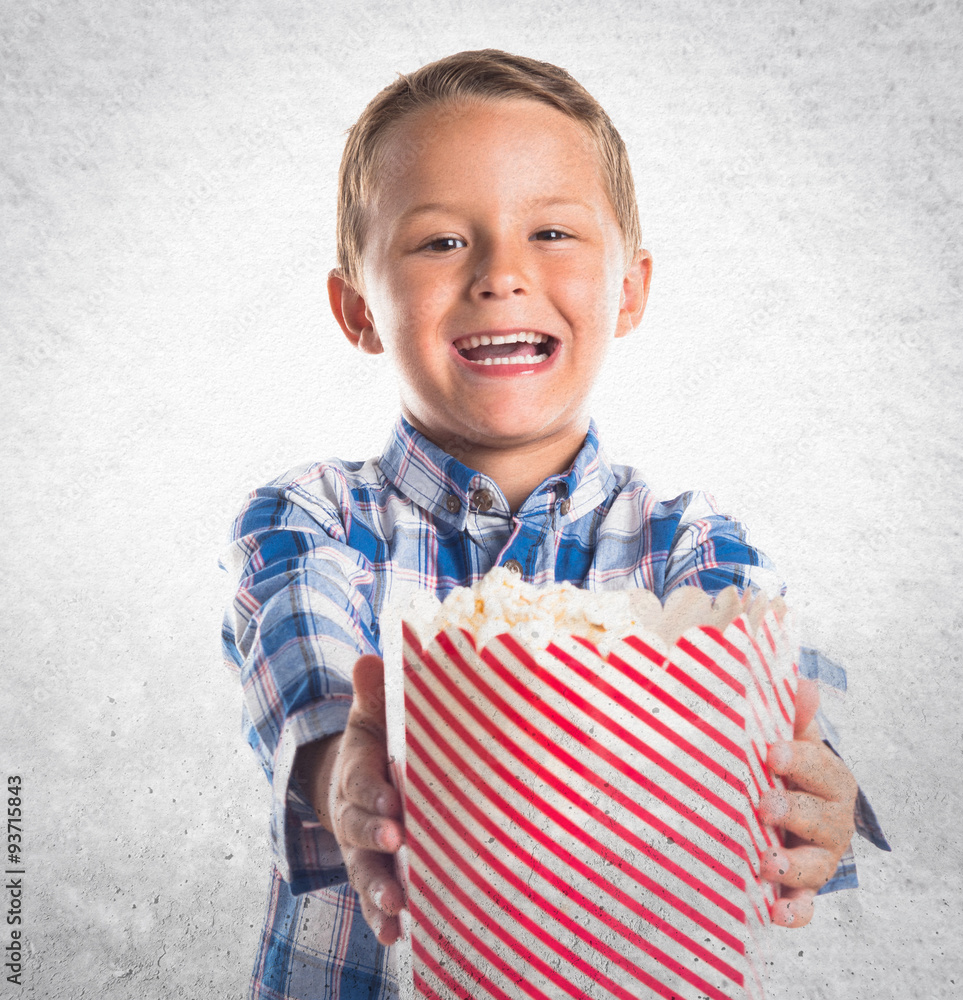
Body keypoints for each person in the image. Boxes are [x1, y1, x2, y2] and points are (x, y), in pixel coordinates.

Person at [220, 49, 888, 1000]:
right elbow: (311, 690)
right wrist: (343, 775)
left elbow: (795, 742)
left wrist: (814, 799)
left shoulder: (696, 551)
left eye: (553, 233)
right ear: (357, 306)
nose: (502, 273)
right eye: (442, 242)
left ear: (629, 290)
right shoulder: (311, 520)